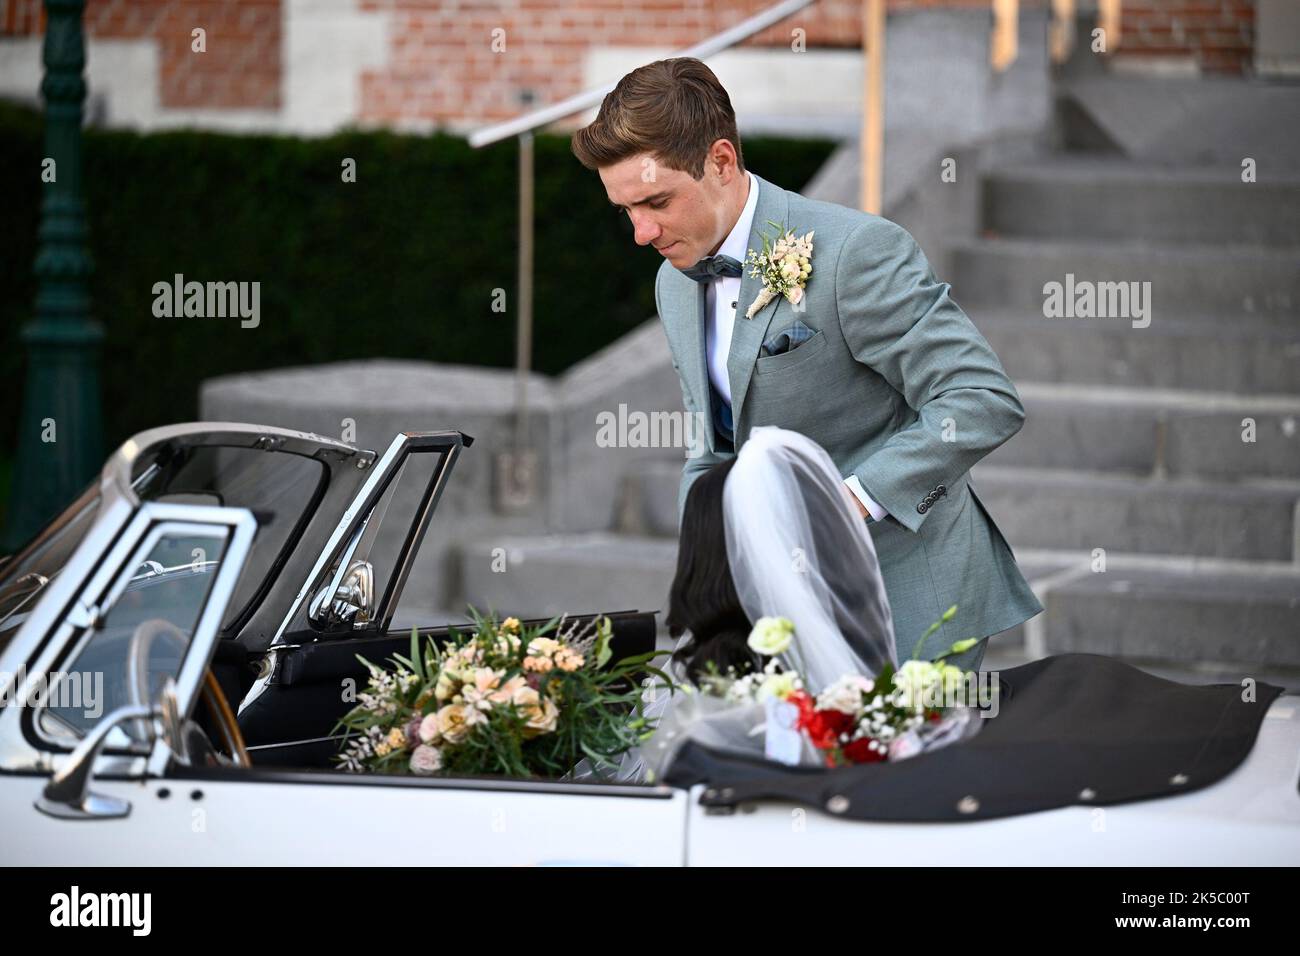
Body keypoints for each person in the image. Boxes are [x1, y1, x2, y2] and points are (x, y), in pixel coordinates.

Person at [571, 57, 1042, 669]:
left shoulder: (857, 252)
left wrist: (843, 505)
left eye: (656, 201)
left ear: (721, 161)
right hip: (770, 615)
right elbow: (713, 446)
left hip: (907, 607)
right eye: (624, 210)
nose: (640, 232)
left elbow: (980, 400)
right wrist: (706, 585)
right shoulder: (674, 282)